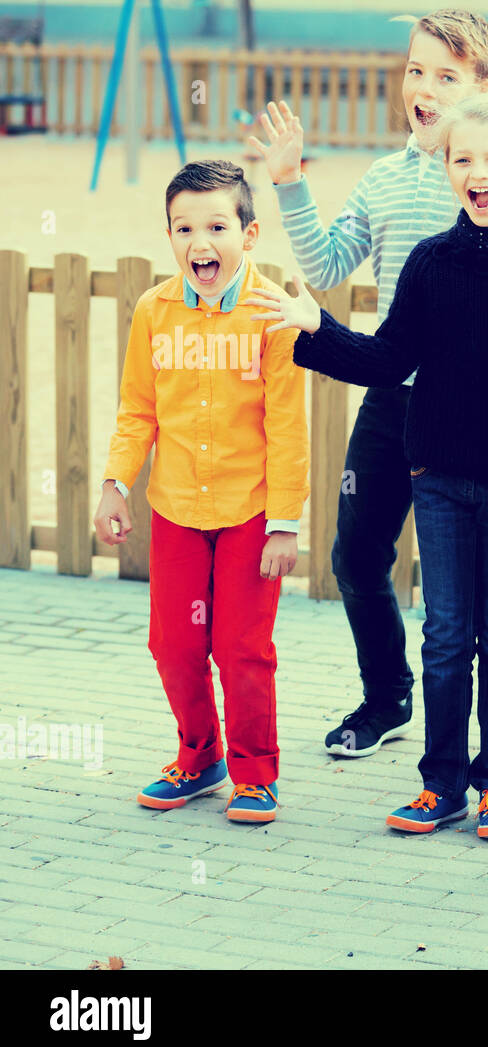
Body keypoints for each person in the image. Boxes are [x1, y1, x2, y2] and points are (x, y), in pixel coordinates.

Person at [247, 9, 488, 769]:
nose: (427, 88)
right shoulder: (387, 178)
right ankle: (387, 697)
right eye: (416, 70)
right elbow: (330, 266)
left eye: (447, 74)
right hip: (400, 394)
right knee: (356, 558)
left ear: (483, 88)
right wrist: (289, 183)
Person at [95, 160, 309, 825]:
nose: (200, 242)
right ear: (169, 235)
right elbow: (137, 411)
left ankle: (254, 772)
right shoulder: (153, 312)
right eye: (184, 227)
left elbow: (286, 423)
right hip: (178, 509)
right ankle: (199, 756)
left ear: (249, 235)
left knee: (241, 646)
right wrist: (114, 483)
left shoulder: (271, 314)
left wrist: (284, 522)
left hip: (250, 512)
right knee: (175, 644)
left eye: (217, 225)